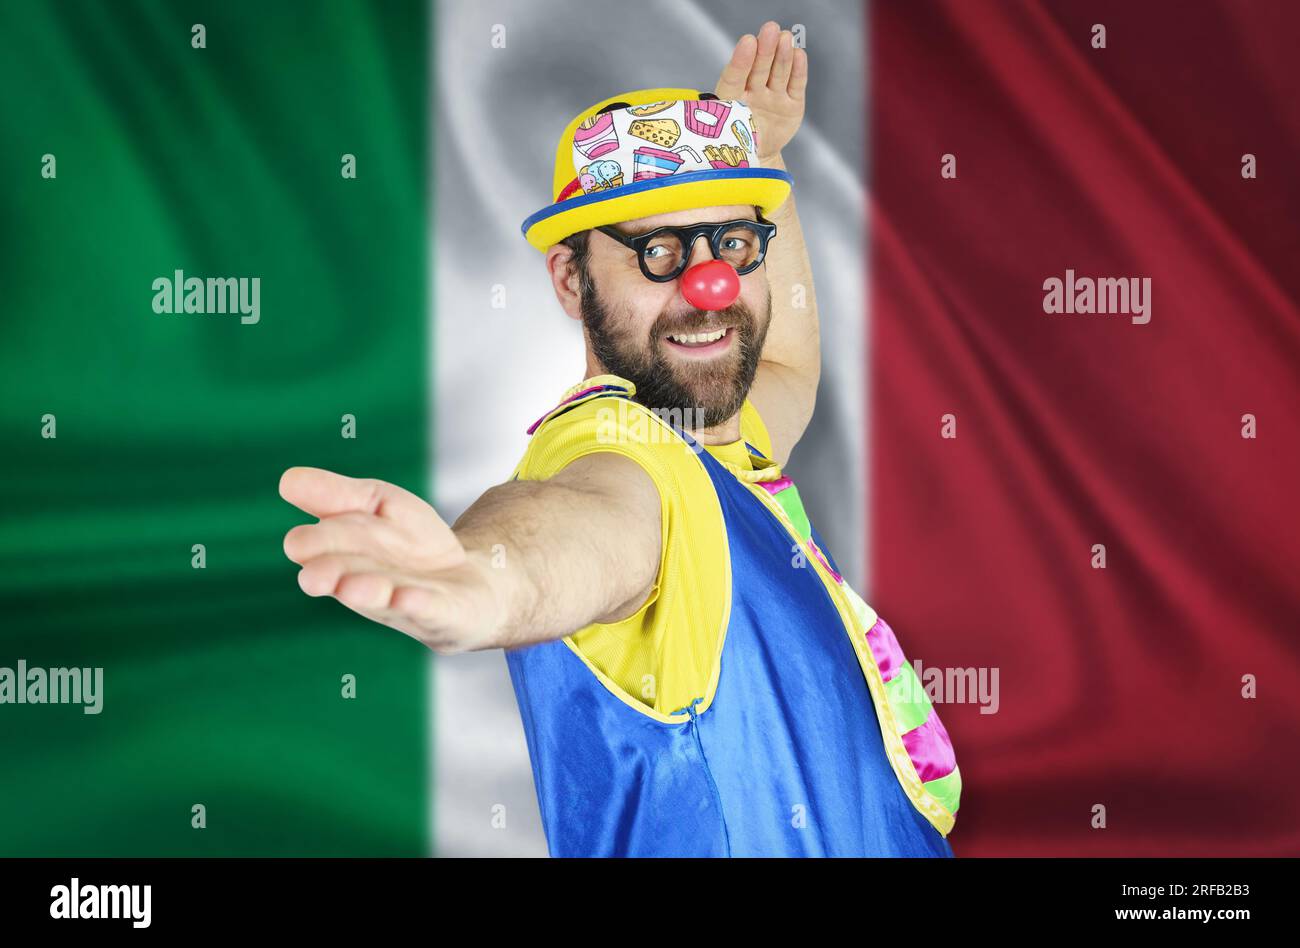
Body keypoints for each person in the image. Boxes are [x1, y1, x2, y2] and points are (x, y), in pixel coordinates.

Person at [280, 22, 960, 857]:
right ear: (571, 280)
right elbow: (589, 521)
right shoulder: (622, 449)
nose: (710, 288)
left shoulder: (725, 450)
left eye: (734, 245)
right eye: (661, 251)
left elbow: (788, 363)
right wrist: (488, 580)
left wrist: (765, 160)